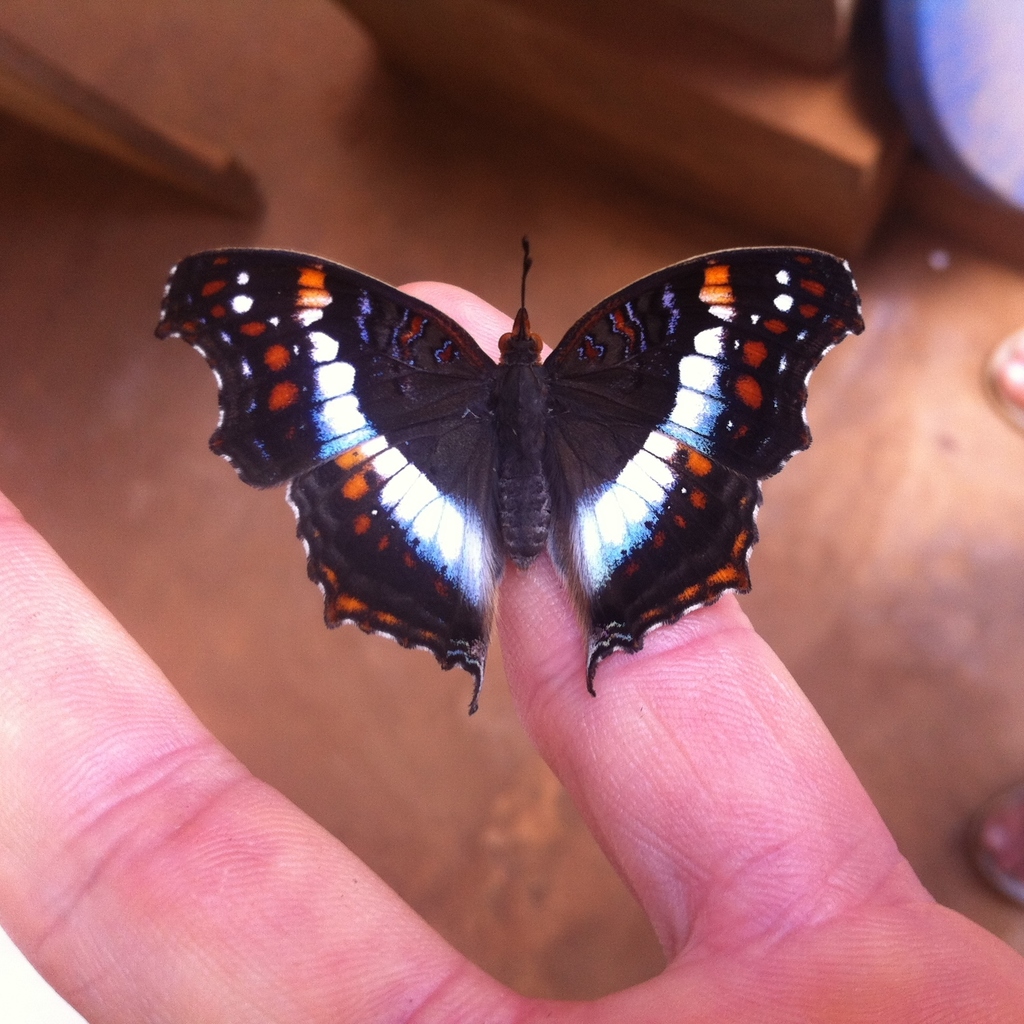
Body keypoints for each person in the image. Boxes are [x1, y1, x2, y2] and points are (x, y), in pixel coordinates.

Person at [2, 283, 1023, 1023]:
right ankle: (529, 606)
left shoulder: (408, 346)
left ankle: (512, 610)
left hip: (453, 483)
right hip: (613, 485)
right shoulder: (636, 338)